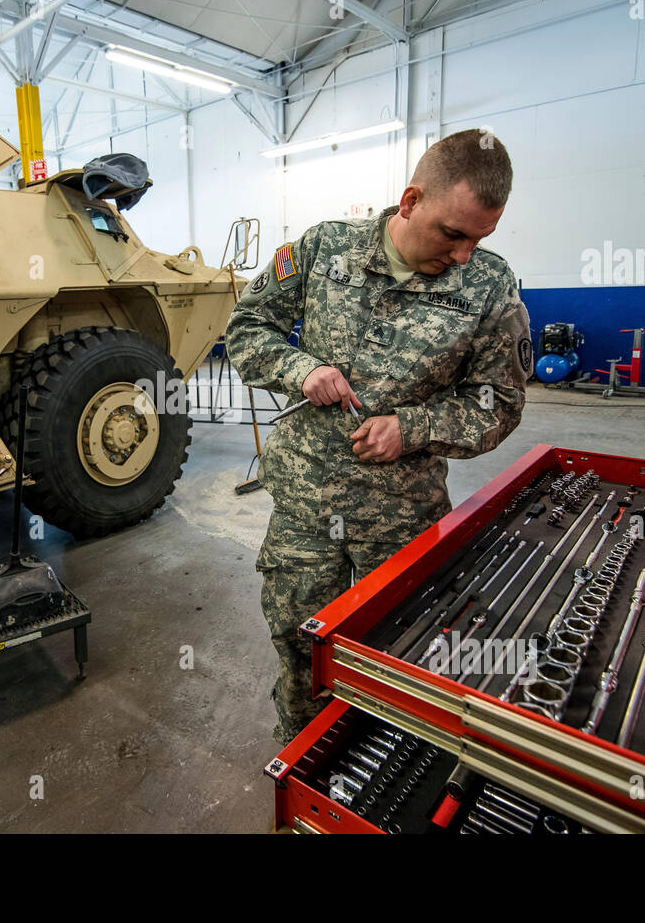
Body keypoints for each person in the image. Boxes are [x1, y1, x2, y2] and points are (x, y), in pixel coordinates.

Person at [225, 128, 533, 745]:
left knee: (400, 656)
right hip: (304, 514)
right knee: (298, 647)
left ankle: (381, 781)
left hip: (401, 521)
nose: (465, 255)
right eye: (453, 233)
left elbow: (499, 403)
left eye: (480, 239)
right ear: (411, 200)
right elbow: (247, 327)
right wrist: (300, 369)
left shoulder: (491, 288)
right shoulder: (322, 249)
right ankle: (303, 771)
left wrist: (412, 428)